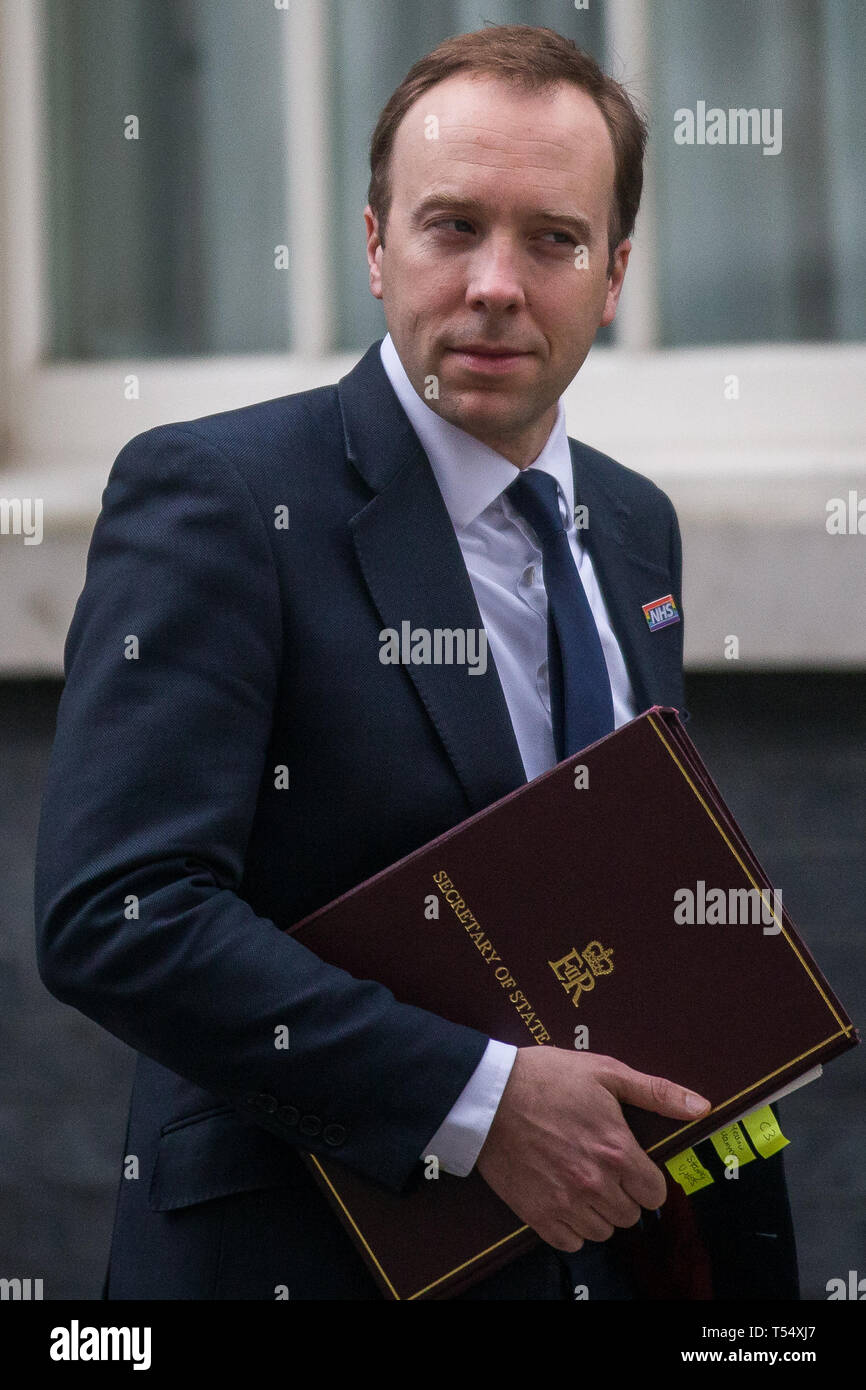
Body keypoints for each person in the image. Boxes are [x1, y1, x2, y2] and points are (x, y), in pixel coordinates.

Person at [34, 24, 798, 1301]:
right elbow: (118, 912)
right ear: (375, 245)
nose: (497, 282)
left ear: (612, 274)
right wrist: (477, 1102)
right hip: (303, 1259)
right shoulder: (217, 497)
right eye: (451, 228)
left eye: (552, 239)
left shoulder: (629, 523)